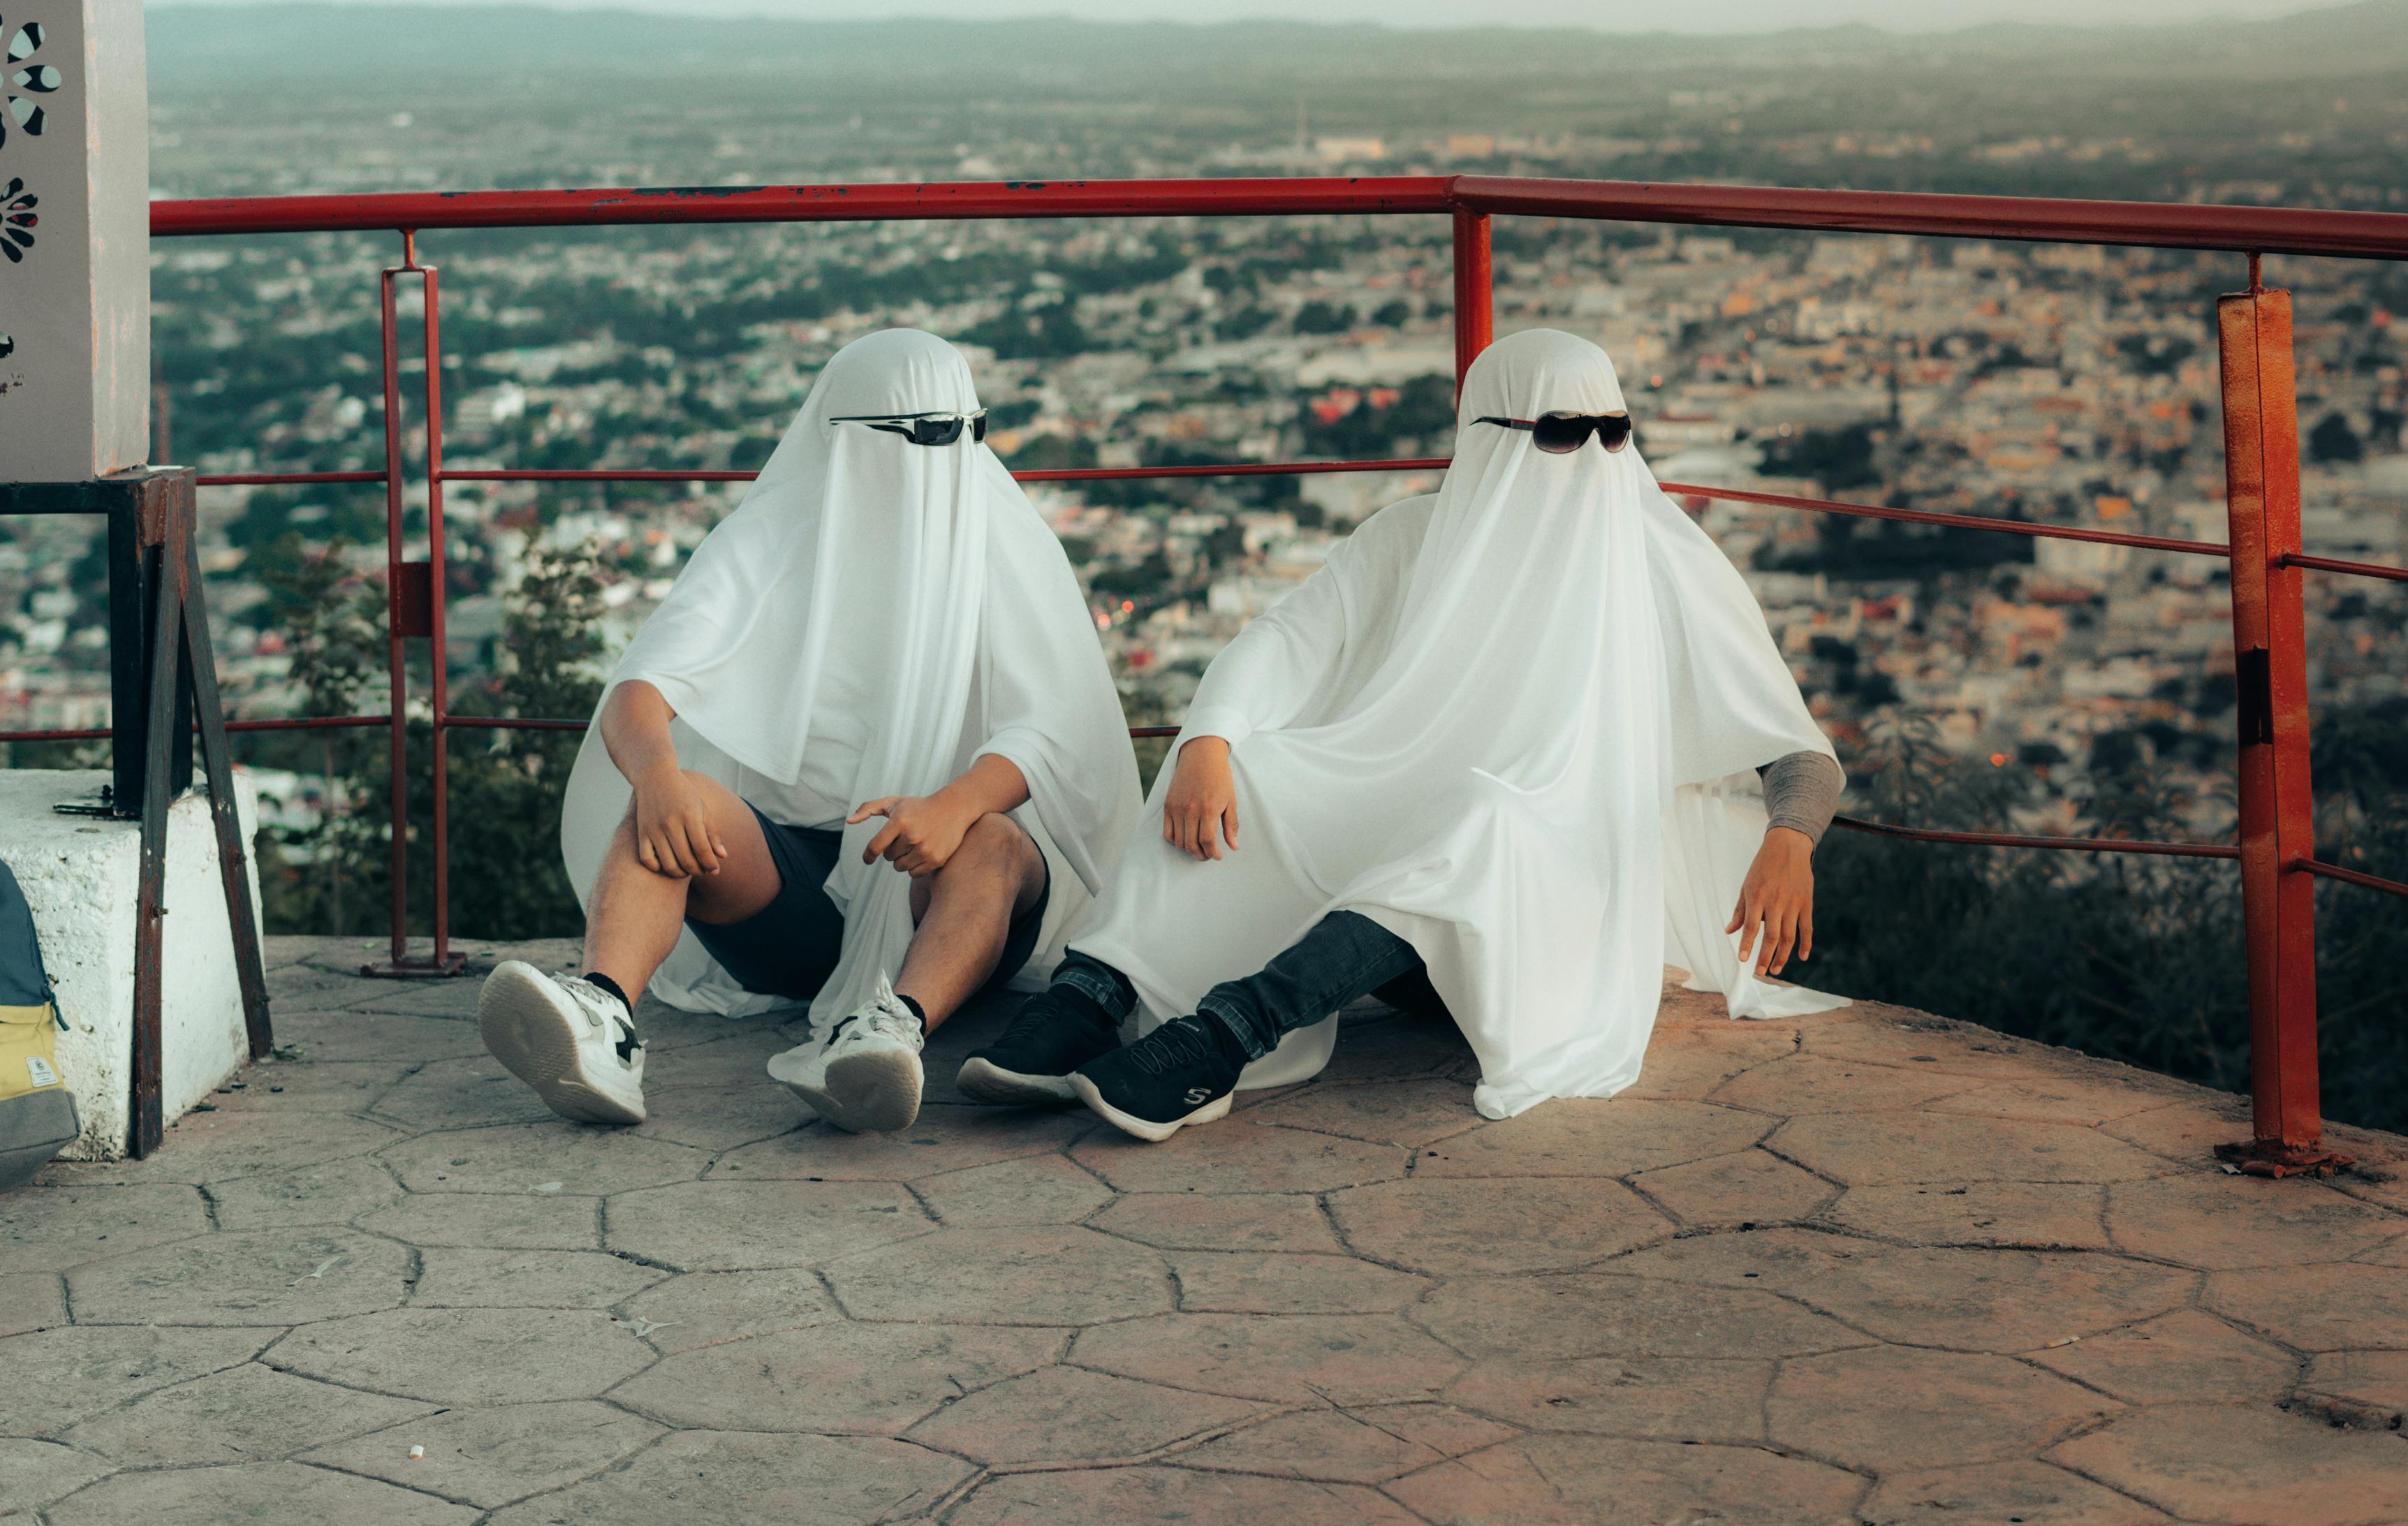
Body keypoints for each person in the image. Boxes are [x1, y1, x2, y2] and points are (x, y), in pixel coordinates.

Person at [965, 325, 1848, 1140]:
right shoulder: (1411, 538)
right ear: (1487, 433)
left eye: (1613, 432)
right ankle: (1092, 995)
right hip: (1384, 912)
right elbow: (1280, 642)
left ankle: (1221, 1040)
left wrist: (1789, 840)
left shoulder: (1663, 565)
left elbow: (1794, 747)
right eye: (1558, 432)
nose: (1592, 455)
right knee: (1249, 763)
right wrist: (1206, 742)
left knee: (1485, 818)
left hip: (1543, 924)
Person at [477, 327, 1139, 1135]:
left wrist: (953, 806)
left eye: (967, 429)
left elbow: (1056, 731)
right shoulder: (771, 538)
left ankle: (890, 1030)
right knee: (677, 798)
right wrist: (655, 779)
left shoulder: (1005, 545)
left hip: (947, 893)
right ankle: (603, 1020)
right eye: (925, 435)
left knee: (994, 842)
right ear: (848, 438)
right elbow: (638, 690)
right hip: (790, 893)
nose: (949, 454)